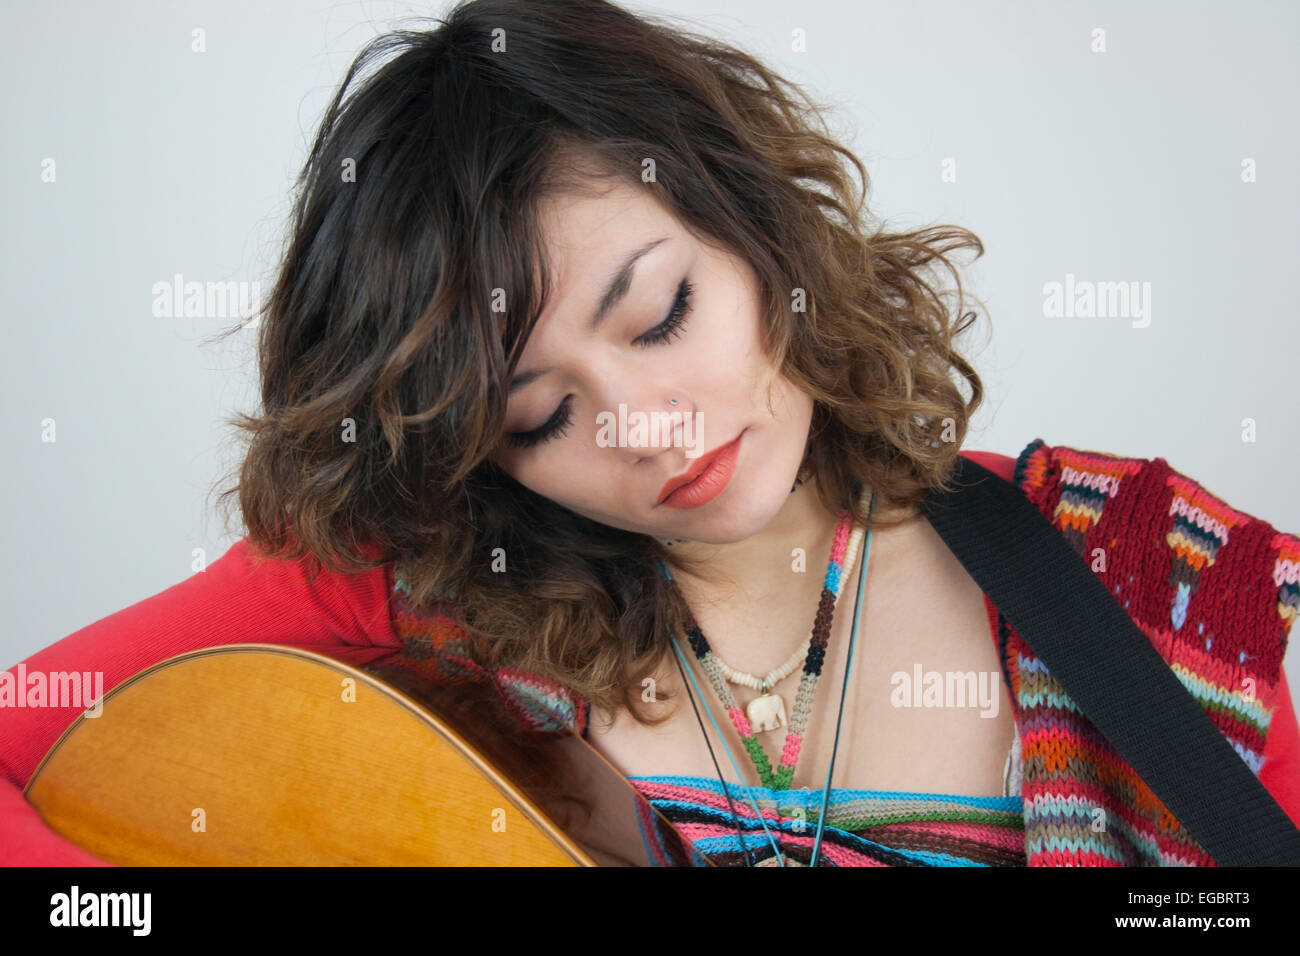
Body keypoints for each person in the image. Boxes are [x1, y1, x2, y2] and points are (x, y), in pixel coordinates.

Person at [3, 0, 1297, 867]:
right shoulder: (423, 589)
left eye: (661, 311)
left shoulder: (1153, 576)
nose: (648, 427)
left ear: (750, 223)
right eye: (544, 416)